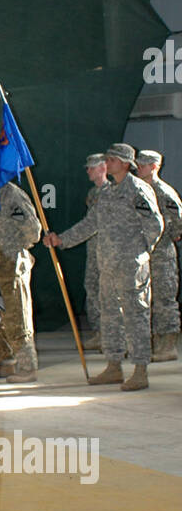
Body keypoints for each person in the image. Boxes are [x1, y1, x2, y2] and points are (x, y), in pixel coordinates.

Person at [43, 143, 163, 391]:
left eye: (113, 159)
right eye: (107, 158)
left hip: (131, 266)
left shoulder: (138, 189)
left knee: (135, 317)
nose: (108, 162)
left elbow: (155, 225)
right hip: (107, 266)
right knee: (110, 316)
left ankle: (140, 370)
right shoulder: (106, 193)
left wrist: (140, 251)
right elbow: (90, 224)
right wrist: (61, 239)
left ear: (125, 163)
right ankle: (114, 366)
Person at [0, 149, 41, 381]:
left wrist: (15, 250)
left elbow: (33, 231)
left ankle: (27, 367)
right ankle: (4, 363)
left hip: (12, 266)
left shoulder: (13, 196)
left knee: (16, 319)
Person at [135, 150, 182, 360]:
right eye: (138, 165)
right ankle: (153, 342)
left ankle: (168, 345)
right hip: (143, 253)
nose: (139, 168)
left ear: (155, 167)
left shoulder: (164, 192)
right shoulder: (140, 190)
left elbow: (178, 222)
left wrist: (167, 239)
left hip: (162, 254)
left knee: (165, 299)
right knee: (147, 299)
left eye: (143, 165)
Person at [82, 153, 110, 350]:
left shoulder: (113, 192)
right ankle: (99, 331)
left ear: (103, 168)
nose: (88, 171)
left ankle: (111, 334)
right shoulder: (92, 193)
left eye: (92, 167)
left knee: (108, 292)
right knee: (91, 287)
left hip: (110, 251)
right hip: (93, 249)